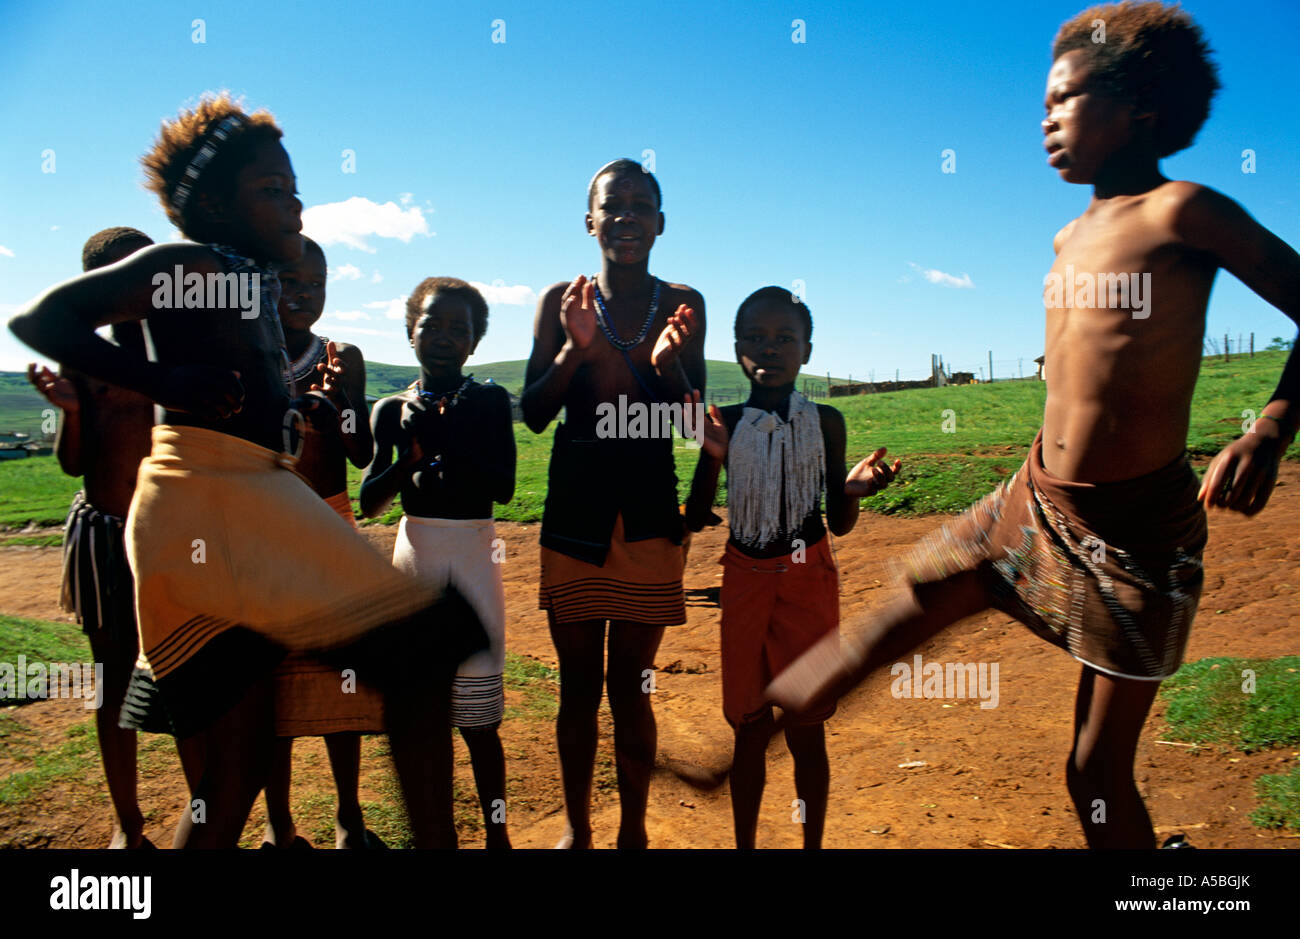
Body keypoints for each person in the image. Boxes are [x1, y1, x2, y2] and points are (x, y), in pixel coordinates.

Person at [767, 1, 1300, 849]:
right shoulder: (1066, 236)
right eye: (1044, 101)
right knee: (911, 593)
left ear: (1142, 111)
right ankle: (765, 726)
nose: (1045, 118)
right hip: (1030, 502)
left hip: (1137, 536)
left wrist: (1269, 426)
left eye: (1068, 98)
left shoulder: (1185, 212)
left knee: (1093, 772)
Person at [8, 93, 484, 848]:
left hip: (218, 500)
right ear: (213, 206)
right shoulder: (192, 263)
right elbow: (42, 320)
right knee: (427, 647)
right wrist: (165, 385)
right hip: (216, 495)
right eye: (271, 191)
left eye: (295, 190)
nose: (294, 206)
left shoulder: (248, 281)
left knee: (237, 768)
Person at [520, 158, 705, 848]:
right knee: (576, 688)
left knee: (631, 684)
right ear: (589, 220)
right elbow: (535, 412)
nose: (626, 216)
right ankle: (576, 829)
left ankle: (633, 829)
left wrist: (669, 368)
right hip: (576, 512)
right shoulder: (558, 301)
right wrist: (573, 349)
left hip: (650, 512)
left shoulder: (685, 302)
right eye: (613, 205)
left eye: (640, 205)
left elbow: (691, 425)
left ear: (659, 223)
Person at [685, 287, 900, 849]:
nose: (770, 350)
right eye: (755, 338)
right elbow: (696, 513)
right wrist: (709, 457)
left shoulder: (825, 420)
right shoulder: (723, 421)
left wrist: (852, 490)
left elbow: (841, 521)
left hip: (809, 580)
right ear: (737, 350)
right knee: (749, 729)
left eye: (785, 339)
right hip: (745, 581)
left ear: (807, 350)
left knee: (807, 730)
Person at [361, 276, 516, 849]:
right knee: (424, 716)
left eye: (460, 328)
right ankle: (438, 836)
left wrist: (451, 441)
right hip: (416, 554)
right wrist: (409, 458)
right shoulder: (390, 409)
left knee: (479, 721)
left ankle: (497, 834)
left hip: (474, 552)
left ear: (474, 343)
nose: (445, 336)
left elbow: (503, 488)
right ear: (410, 333)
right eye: (432, 324)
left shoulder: (491, 401)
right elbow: (369, 500)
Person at [26, 226, 158, 849]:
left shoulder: (178, 355)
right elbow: (72, 465)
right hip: (107, 535)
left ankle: (206, 811)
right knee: (112, 680)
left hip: (173, 537)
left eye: (143, 272)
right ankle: (127, 823)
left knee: (186, 672)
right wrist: (74, 413)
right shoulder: (82, 358)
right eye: (116, 277)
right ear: (94, 292)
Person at [261, 236, 385, 850]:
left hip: (332, 525)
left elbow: (362, 451)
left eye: (317, 282)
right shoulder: (248, 352)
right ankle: (278, 824)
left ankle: (347, 817)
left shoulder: (344, 355)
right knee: (273, 687)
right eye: (289, 280)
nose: (304, 293)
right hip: (266, 532)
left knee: (345, 680)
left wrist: (342, 406)